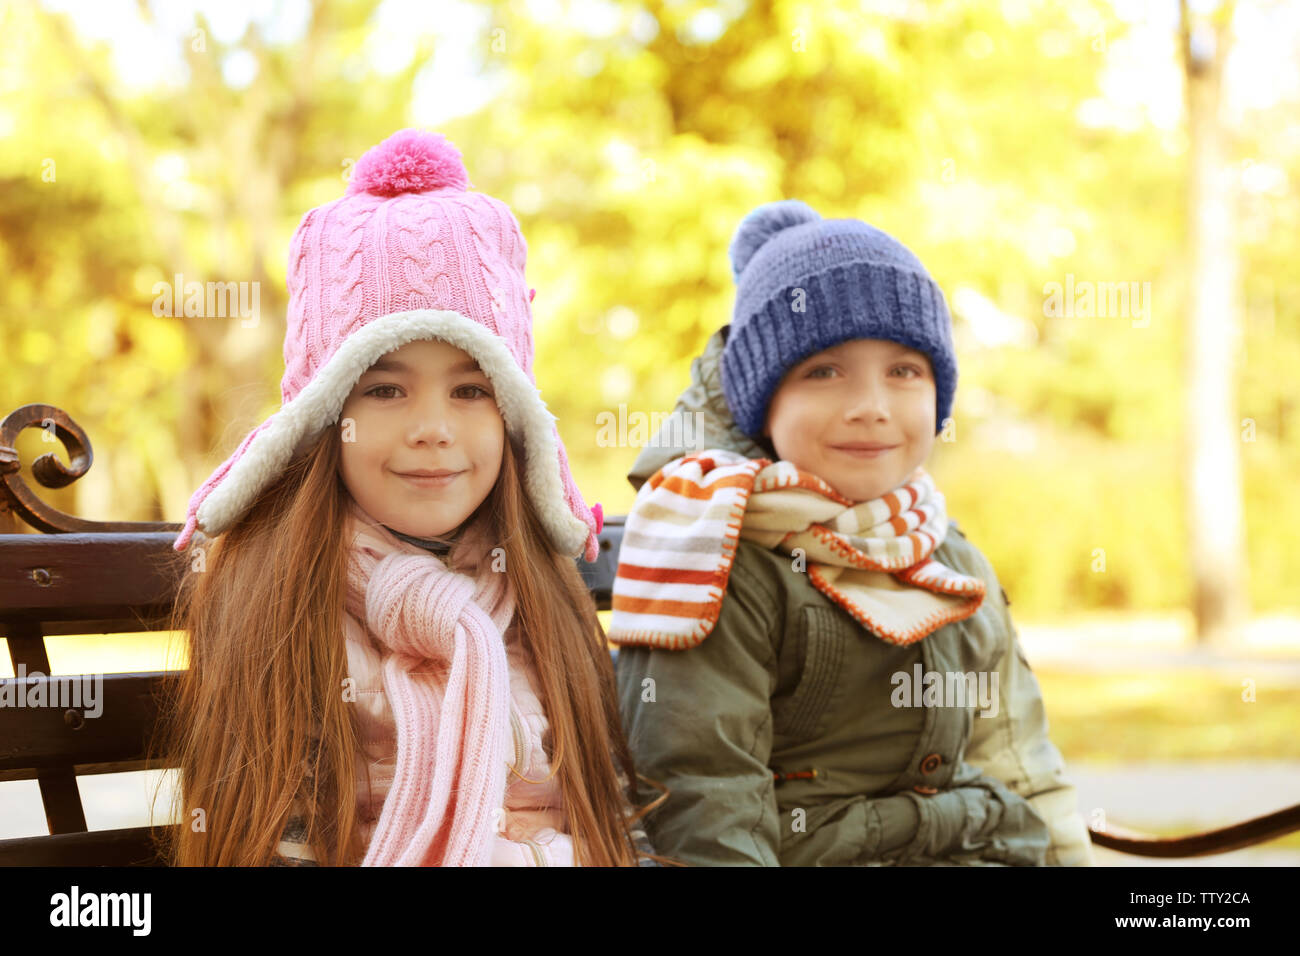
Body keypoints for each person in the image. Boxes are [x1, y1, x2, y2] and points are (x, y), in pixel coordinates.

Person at [164, 128, 654, 866]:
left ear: (513, 416)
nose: (432, 429)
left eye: (470, 390)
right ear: (326, 415)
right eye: (384, 389)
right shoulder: (278, 596)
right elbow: (270, 842)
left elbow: (613, 819)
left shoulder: (538, 591)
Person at [609, 200, 1094, 866]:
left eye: (904, 371)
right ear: (763, 402)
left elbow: (1015, 756)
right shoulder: (711, 551)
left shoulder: (949, 556)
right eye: (824, 371)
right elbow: (701, 797)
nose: (871, 407)